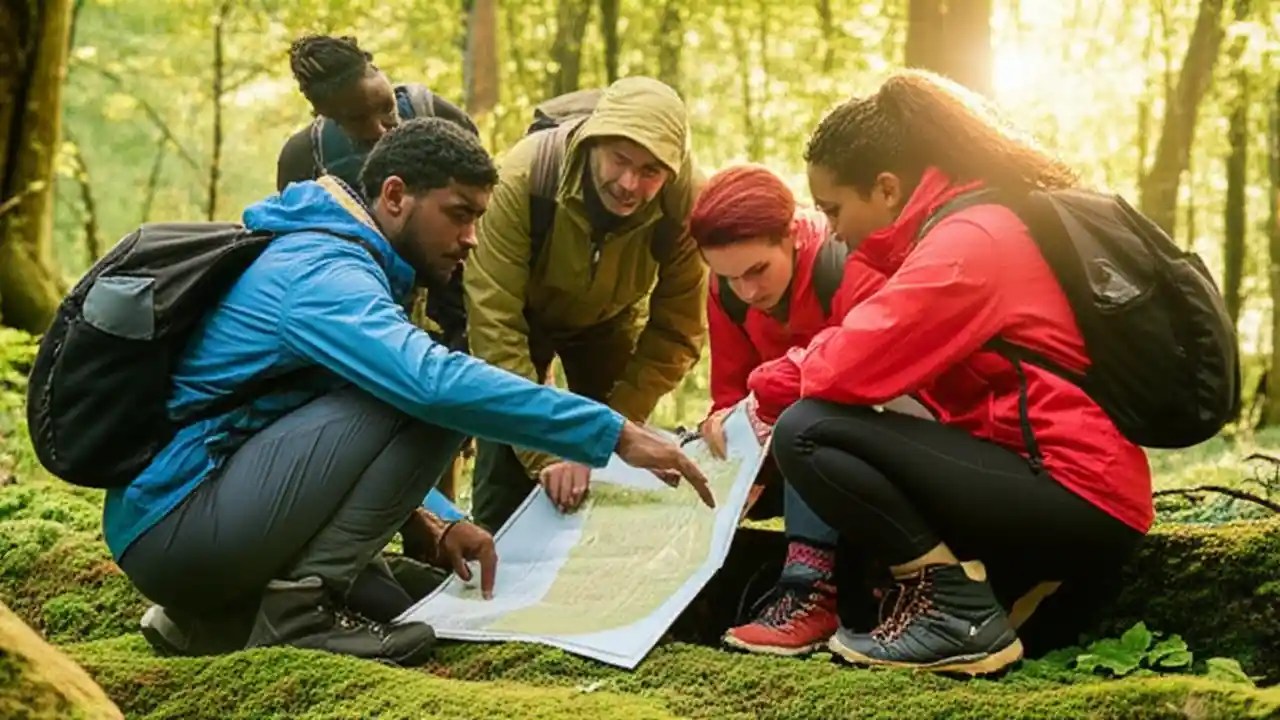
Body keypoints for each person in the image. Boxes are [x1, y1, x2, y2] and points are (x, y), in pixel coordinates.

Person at [112, 117, 713, 667]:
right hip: (178, 524)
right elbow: (428, 387)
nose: (472, 238)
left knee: (397, 590)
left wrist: (440, 521)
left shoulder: (346, 261)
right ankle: (297, 612)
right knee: (436, 390)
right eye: (458, 214)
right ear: (395, 196)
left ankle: (212, 619)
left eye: (478, 218)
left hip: (197, 516)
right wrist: (613, 433)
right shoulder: (326, 274)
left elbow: (307, 431)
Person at [746, 70, 1152, 675]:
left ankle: (954, 616)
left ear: (886, 188)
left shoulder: (968, 242)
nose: (830, 229)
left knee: (808, 429)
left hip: (1074, 487)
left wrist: (760, 388)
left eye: (833, 208)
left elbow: (841, 368)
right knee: (841, 430)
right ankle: (975, 598)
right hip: (1048, 474)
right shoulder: (963, 228)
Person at [463, 77, 708, 531]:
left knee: (613, 460)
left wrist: (612, 431)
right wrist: (547, 453)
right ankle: (492, 561)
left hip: (607, 321)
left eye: (651, 171)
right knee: (508, 465)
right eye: (619, 159)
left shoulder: (688, 205)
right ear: (594, 142)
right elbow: (493, 323)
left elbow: (677, 330)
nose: (629, 183)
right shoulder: (523, 177)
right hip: (522, 316)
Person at [683, 165, 853, 656]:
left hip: (861, 443)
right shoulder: (726, 295)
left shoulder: (842, 266)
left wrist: (768, 402)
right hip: (783, 454)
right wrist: (725, 432)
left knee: (806, 417)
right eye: (730, 277)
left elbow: (862, 373)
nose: (749, 292)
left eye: (758, 270)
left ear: (793, 234)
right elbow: (730, 396)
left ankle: (809, 595)